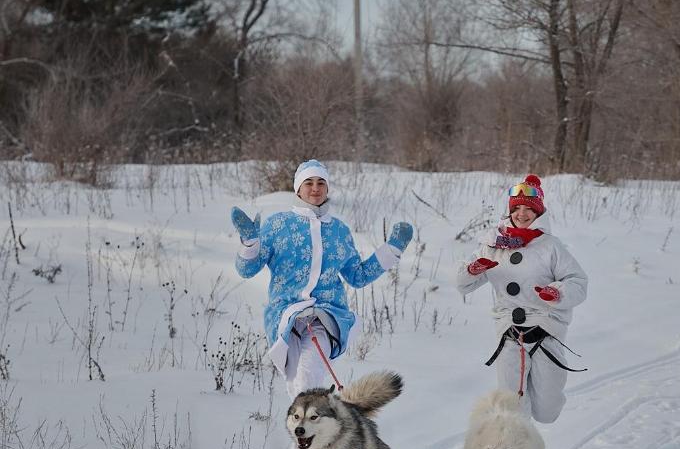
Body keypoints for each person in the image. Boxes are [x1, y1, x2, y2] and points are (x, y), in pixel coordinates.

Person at [231, 160, 413, 396]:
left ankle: (314, 426)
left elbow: (357, 276)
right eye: (308, 182)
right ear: (297, 188)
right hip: (286, 315)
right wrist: (250, 244)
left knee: (308, 374)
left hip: (327, 315)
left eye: (320, 183)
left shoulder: (339, 230)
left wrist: (392, 250)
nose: (315, 188)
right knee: (296, 383)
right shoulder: (278, 225)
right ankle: (310, 431)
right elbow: (247, 270)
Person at [456, 174, 588, 423]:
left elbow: (578, 283)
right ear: (510, 210)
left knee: (547, 410)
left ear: (538, 213)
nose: (522, 214)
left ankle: (545, 407)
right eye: (517, 208)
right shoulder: (494, 244)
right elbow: (462, 285)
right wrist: (472, 270)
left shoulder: (550, 247)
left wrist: (557, 293)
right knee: (511, 409)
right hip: (509, 333)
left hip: (545, 330)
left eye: (529, 209)